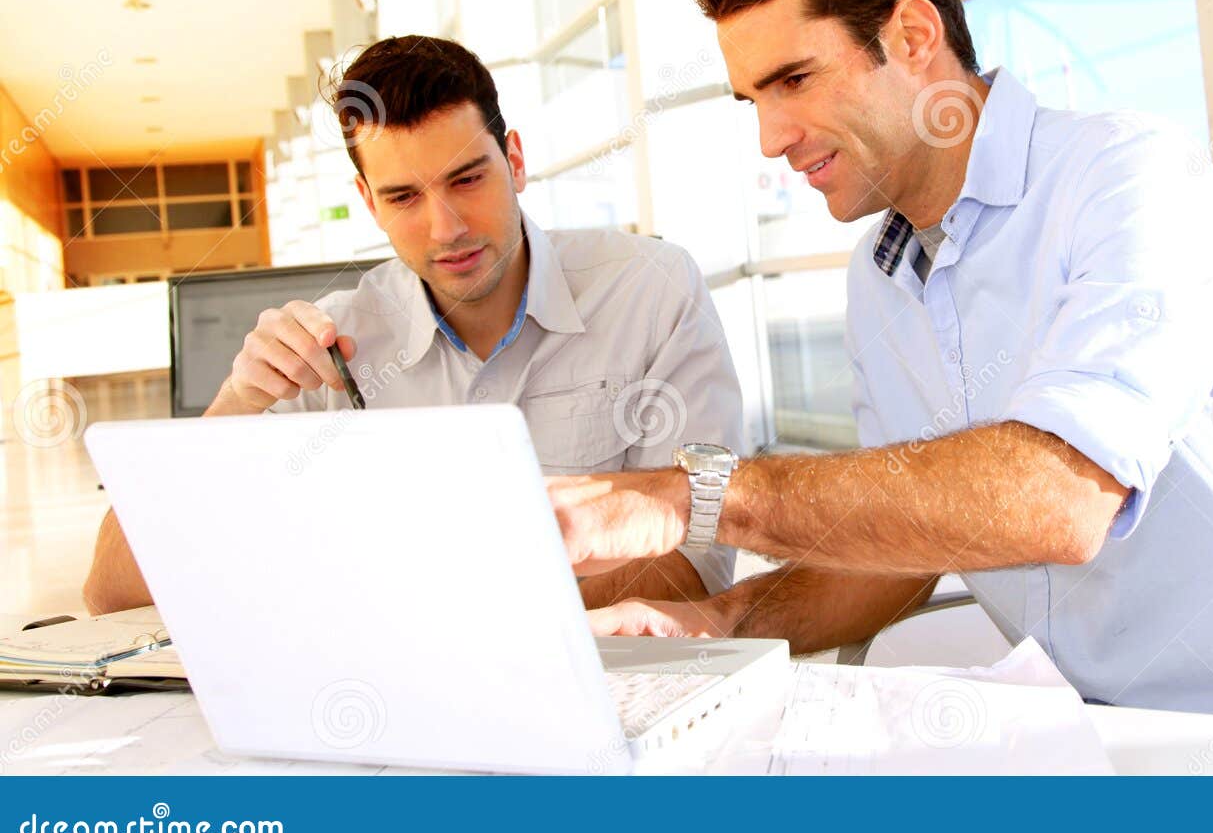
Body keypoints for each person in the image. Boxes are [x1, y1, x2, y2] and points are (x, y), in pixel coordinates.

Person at [553, 0, 1213, 725]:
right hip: (1080, 741)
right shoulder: (878, 278)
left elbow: (1059, 498)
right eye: (754, 100)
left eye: (794, 80)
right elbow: (896, 555)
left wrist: (693, 495)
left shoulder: (1127, 179)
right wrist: (719, 620)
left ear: (914, 37)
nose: (771, 138)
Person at [83, 35, 741, 616]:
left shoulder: (650, 291)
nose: (445, 227)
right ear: (369, 202)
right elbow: (109, 588)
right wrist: (234, 406)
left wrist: (417, 607)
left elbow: (694, 564)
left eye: (467, 179)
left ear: (514, 160)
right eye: (404, 196)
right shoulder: (331, 345)